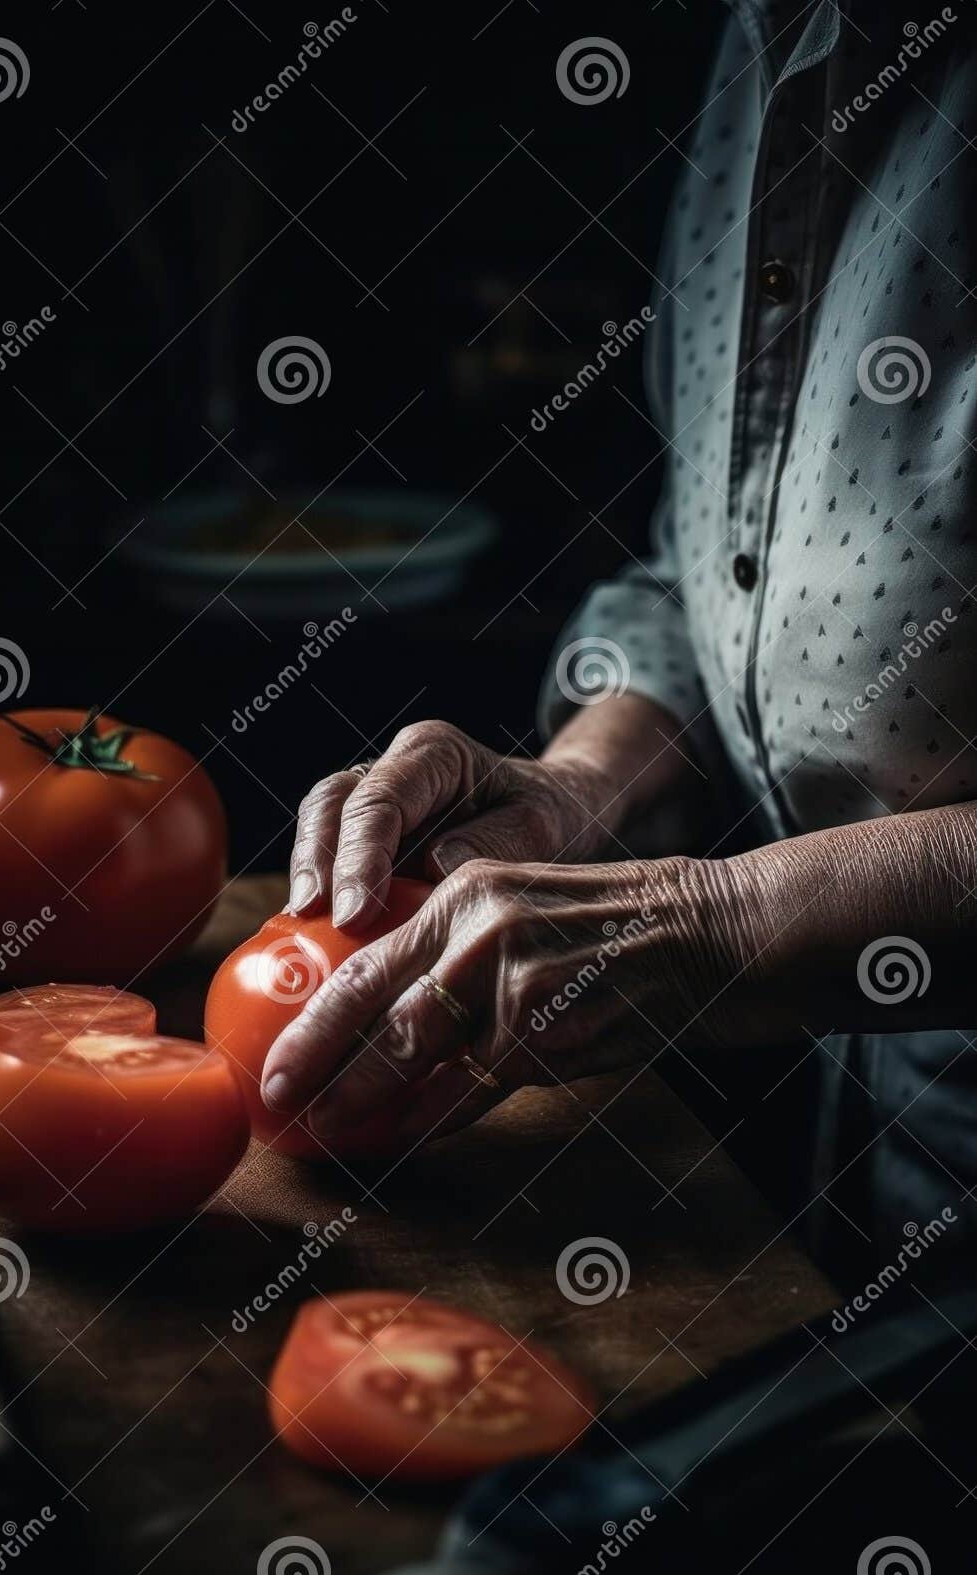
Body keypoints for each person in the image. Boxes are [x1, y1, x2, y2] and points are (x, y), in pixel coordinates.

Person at [261, 0, 977, 1273]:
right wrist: (582, 785)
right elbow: (724, 568)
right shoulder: (772, 35)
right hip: (847, 1140)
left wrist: (719, 924)